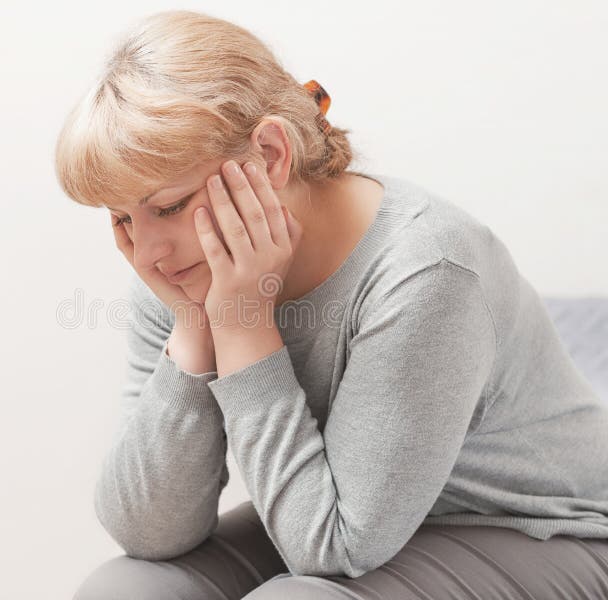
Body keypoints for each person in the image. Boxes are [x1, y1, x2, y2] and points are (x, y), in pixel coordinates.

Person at [54, 9, 608, 599]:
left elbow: (332, 549)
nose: (147, 254)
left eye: (168, 206)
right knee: (126, 588)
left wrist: (243, 324)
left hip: (533, 524)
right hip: (346, 512)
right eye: (122, 218)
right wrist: (196, 327)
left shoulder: (427, 270)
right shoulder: (179, 269)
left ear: (271, 155)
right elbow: (148, 532)